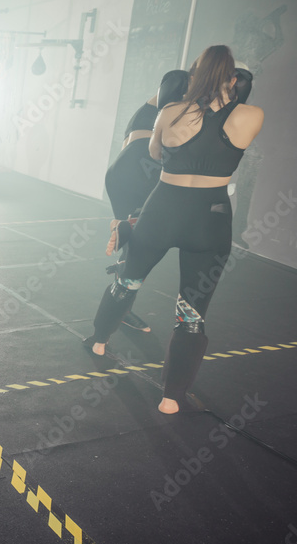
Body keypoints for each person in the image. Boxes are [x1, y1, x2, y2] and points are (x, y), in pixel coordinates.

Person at [83, 45, 264, 415]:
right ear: (233, 80)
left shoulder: (169, 112)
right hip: (210, 218)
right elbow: (233, 129)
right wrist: (229, 95)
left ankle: (99, 341)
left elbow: (153, 153)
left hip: (163, 208)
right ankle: (171, 397)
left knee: (128, 280)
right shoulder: (250, 115)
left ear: (193, 76)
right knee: (191, 314)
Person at [102, 69, 190, 333]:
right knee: (134, 244)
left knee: (130, 241)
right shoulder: (175, 97)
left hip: (123, 174)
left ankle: (119, 304)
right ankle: (119, 310)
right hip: (135, 176)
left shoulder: (150, 110)